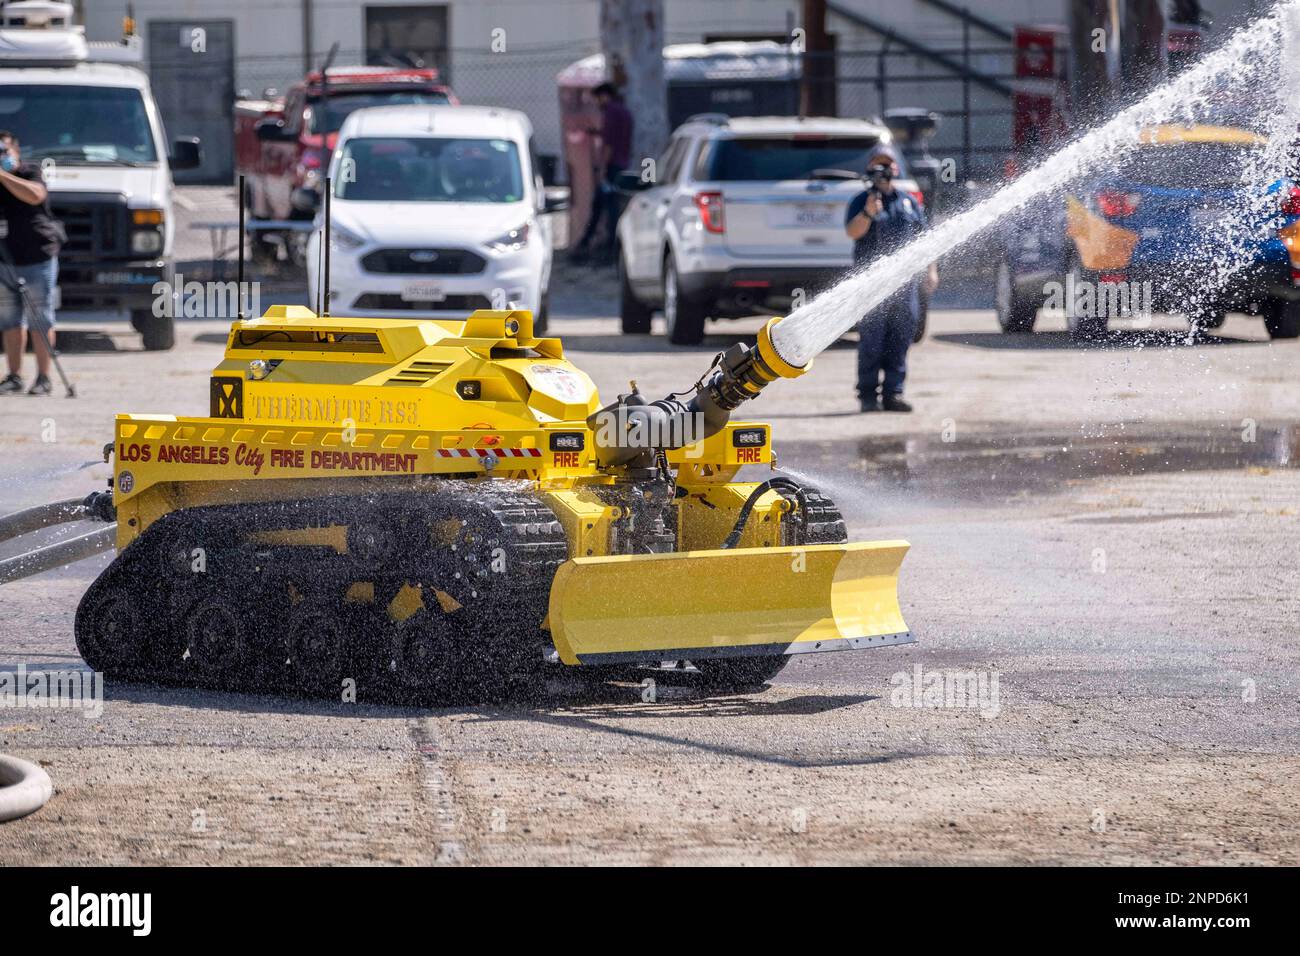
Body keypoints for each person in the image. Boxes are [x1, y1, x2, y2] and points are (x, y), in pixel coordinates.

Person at [844, 151, 938, 412]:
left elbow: (925, 239)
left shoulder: (908, 202)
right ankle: (867, 395)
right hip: (871, 284)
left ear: (896, 169)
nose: (884, 170)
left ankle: (894, 393)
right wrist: (868, 213)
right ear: (869, 171)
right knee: (872, 340)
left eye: (888, 165)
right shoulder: (861, 201)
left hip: (904, 284)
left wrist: (931, 270)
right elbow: (853, 232)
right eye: (878, 166)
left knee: (901, 337)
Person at [0, 131, 62, 396]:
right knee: (10, 319)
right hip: (5, 260)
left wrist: (2, 175)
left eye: (3, 151)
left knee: (40, 317)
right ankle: (14, 375)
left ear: (15, 151)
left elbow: (35, 195)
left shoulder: (29, 172)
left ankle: (44, 377)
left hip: (37, 257)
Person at [571, 81, 633, 263]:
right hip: (621, 164)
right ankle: (591, 242)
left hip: (612, 166)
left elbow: (609, 144)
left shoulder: (611, 112)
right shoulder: (623, 111)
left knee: (608, 206)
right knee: (602, 204)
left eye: (598, 98)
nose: (597, 103)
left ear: (604, 95)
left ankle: (607, 247)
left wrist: (601, 167)